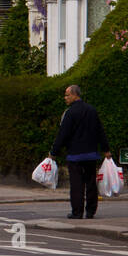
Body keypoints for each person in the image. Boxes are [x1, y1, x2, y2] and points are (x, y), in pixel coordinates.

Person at [50, 84, 112, 220]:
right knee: (90, 182)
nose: (65, 98)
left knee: (76, 184)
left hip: (75, 155)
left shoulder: (70, 112)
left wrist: (53, 152)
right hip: (91, 154)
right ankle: (90, 211)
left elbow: (63, 134)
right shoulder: (91, 110)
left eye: (67, 95)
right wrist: (106, 149)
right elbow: (100, 131)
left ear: (74, 95)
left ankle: (77, 212)